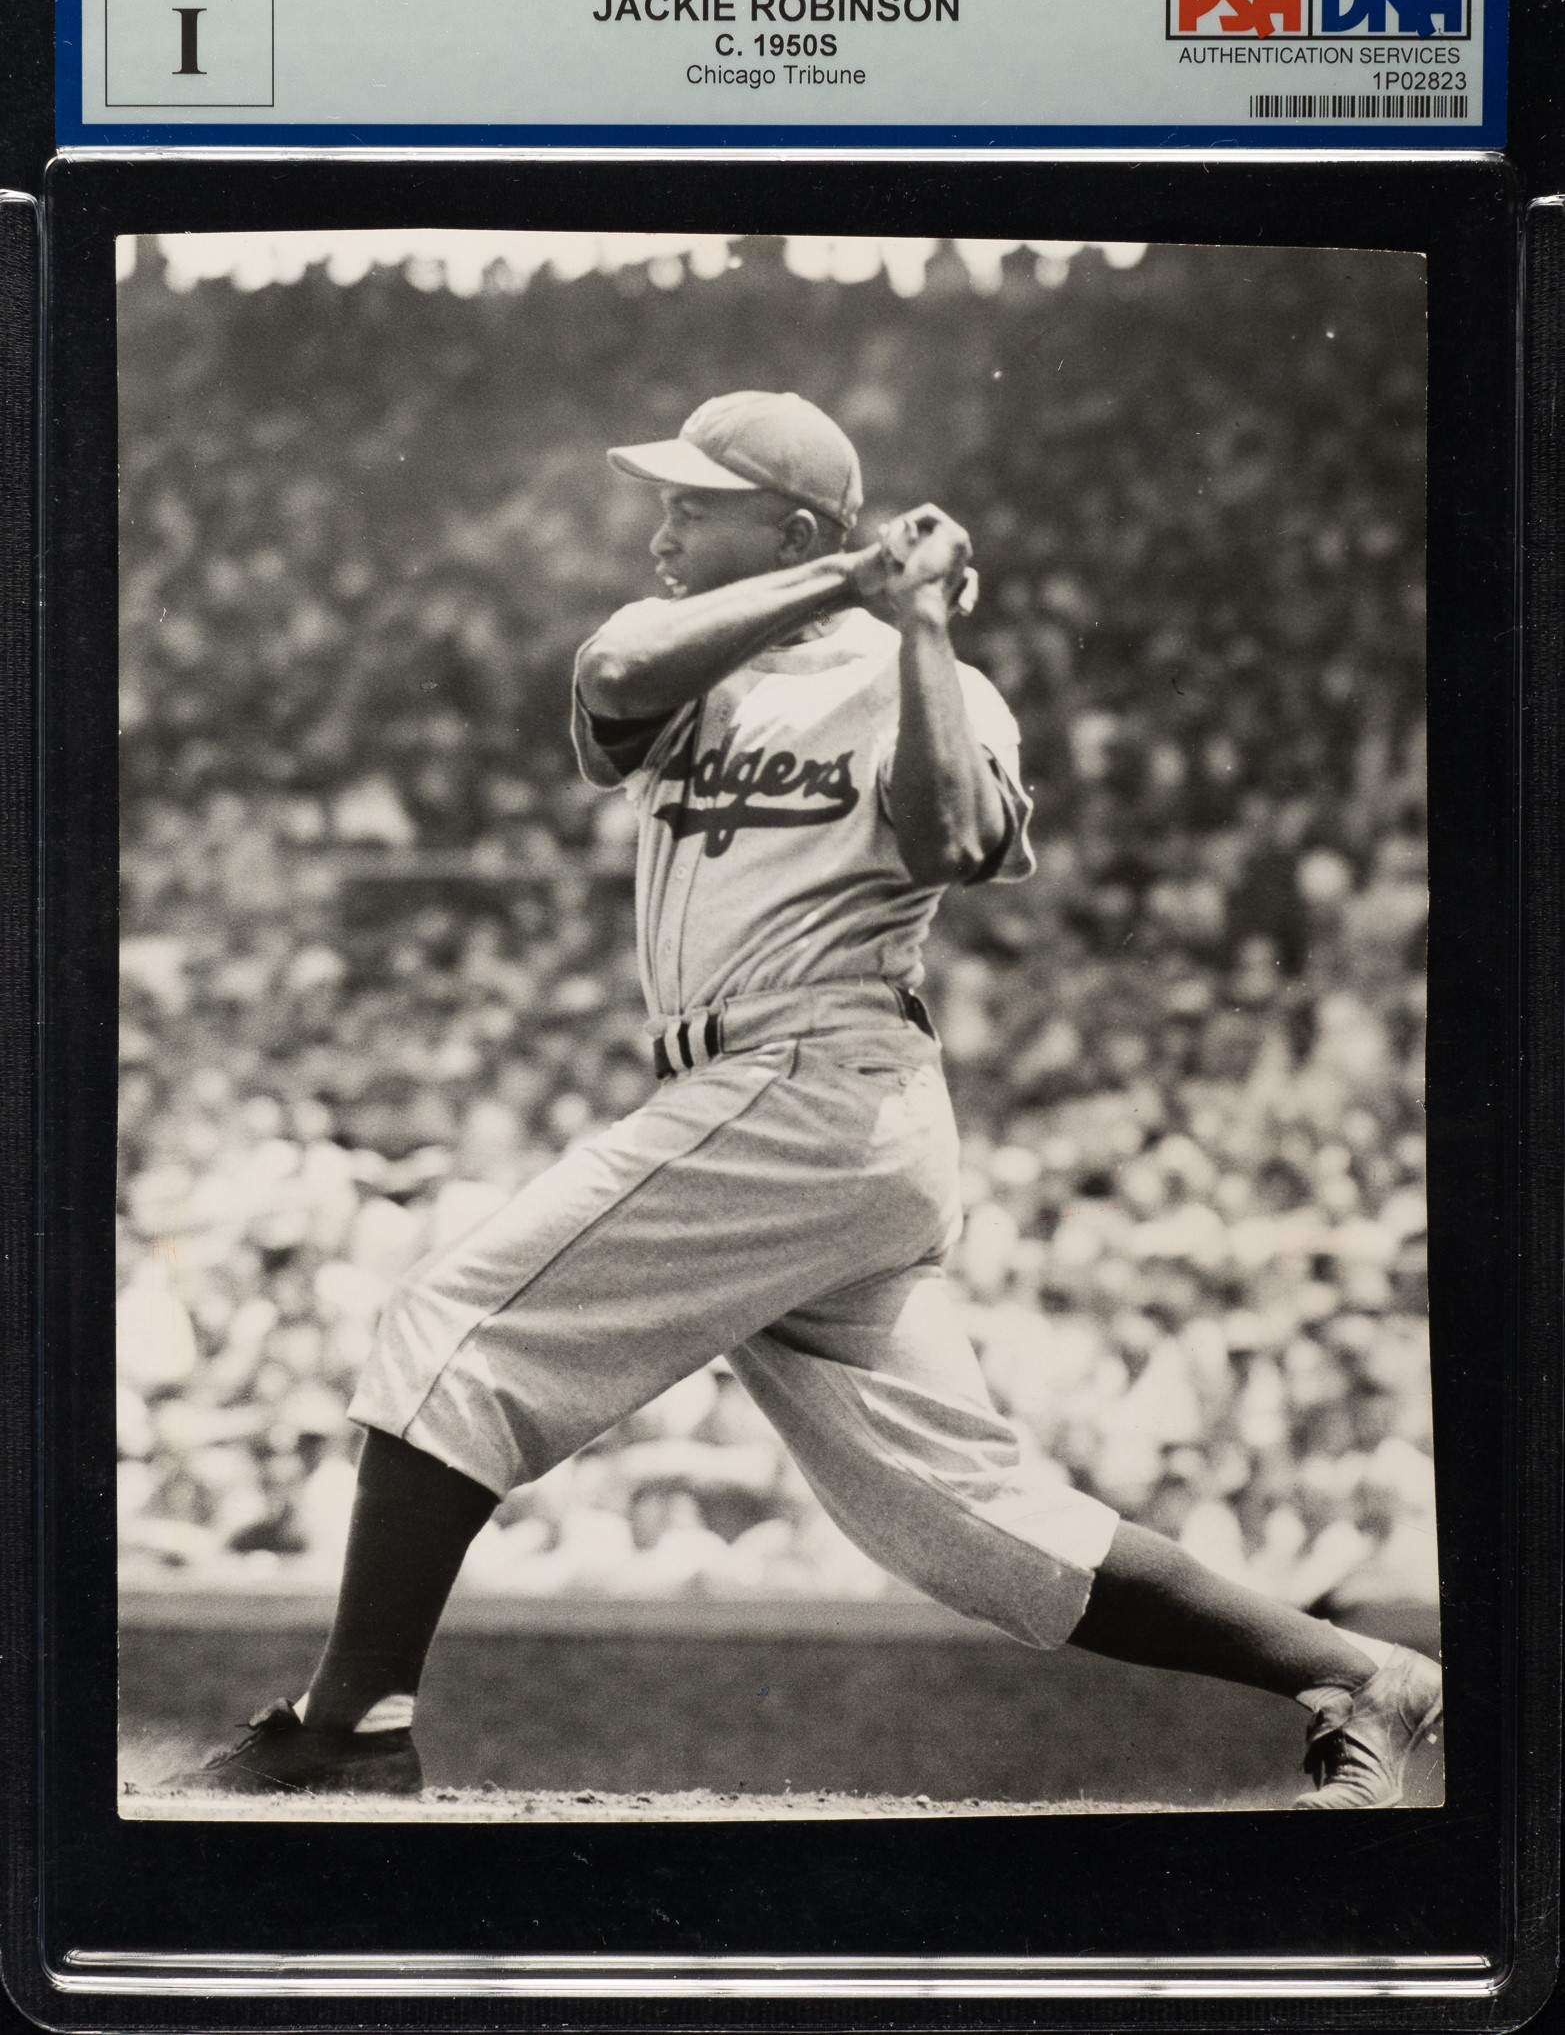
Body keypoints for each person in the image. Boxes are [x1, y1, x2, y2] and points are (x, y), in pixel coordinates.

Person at [188, 391, 1440, 1808]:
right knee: (977, 1531)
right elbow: (608, 676)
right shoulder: (690, 663)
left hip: (816, 1077)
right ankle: (1357, 1673)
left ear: (784, 525)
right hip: (771, 1101)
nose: (658, 530)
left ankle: (347, 1731)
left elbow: (957, 839)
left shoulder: (946, 684)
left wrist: (913, 625)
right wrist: (858, 572)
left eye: (691, 507)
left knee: (449, 1326)